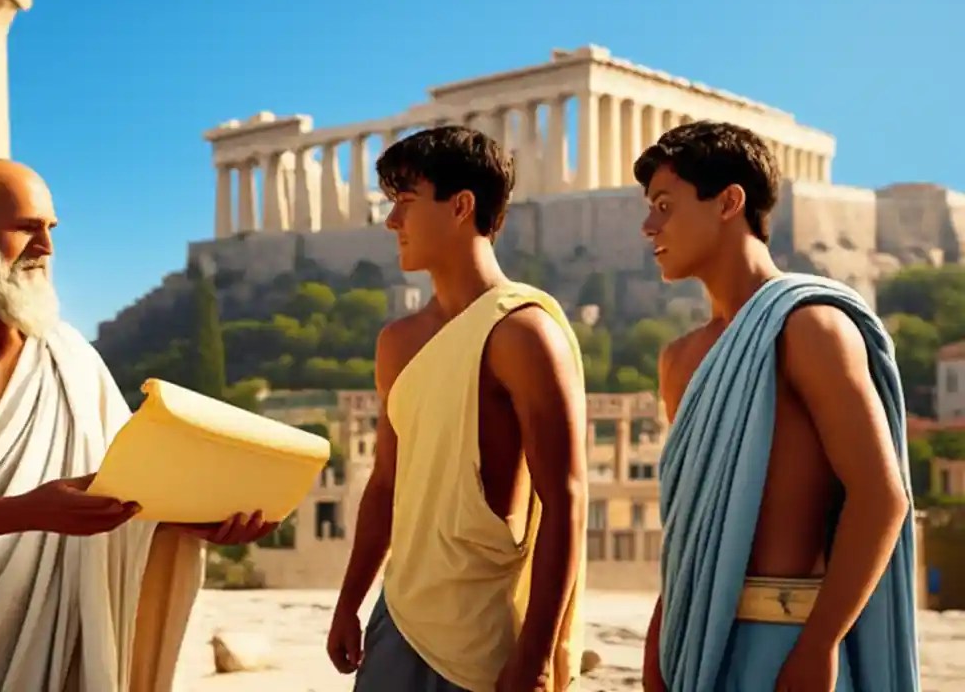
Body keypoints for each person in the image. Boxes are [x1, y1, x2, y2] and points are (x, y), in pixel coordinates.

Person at [0, 158, 276, 691]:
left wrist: (193, 518)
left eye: (51, 229)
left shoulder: (69, 358)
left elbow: (123, 489)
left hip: (60, 649)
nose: (47, 247)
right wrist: (27, 512)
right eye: (26, 227)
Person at [636, 121, 921, 690]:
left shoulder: (810, 327)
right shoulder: (680, 360)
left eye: (666, 205)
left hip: (788, 641)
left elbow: (881, 497)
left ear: (729, 202)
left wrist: (820, 644)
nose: (650, 226)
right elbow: (694, 526)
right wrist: (656, 648)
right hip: (692, 645)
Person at [325, 126, 588, 692]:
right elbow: (385, 485)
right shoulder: (396, 342)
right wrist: (350, 602)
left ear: (462, 206)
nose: (392, 221)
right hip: (398, 617)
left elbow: (564, 499)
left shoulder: (523, 332)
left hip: (486, 631)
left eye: (407, 202)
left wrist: (536, 656)